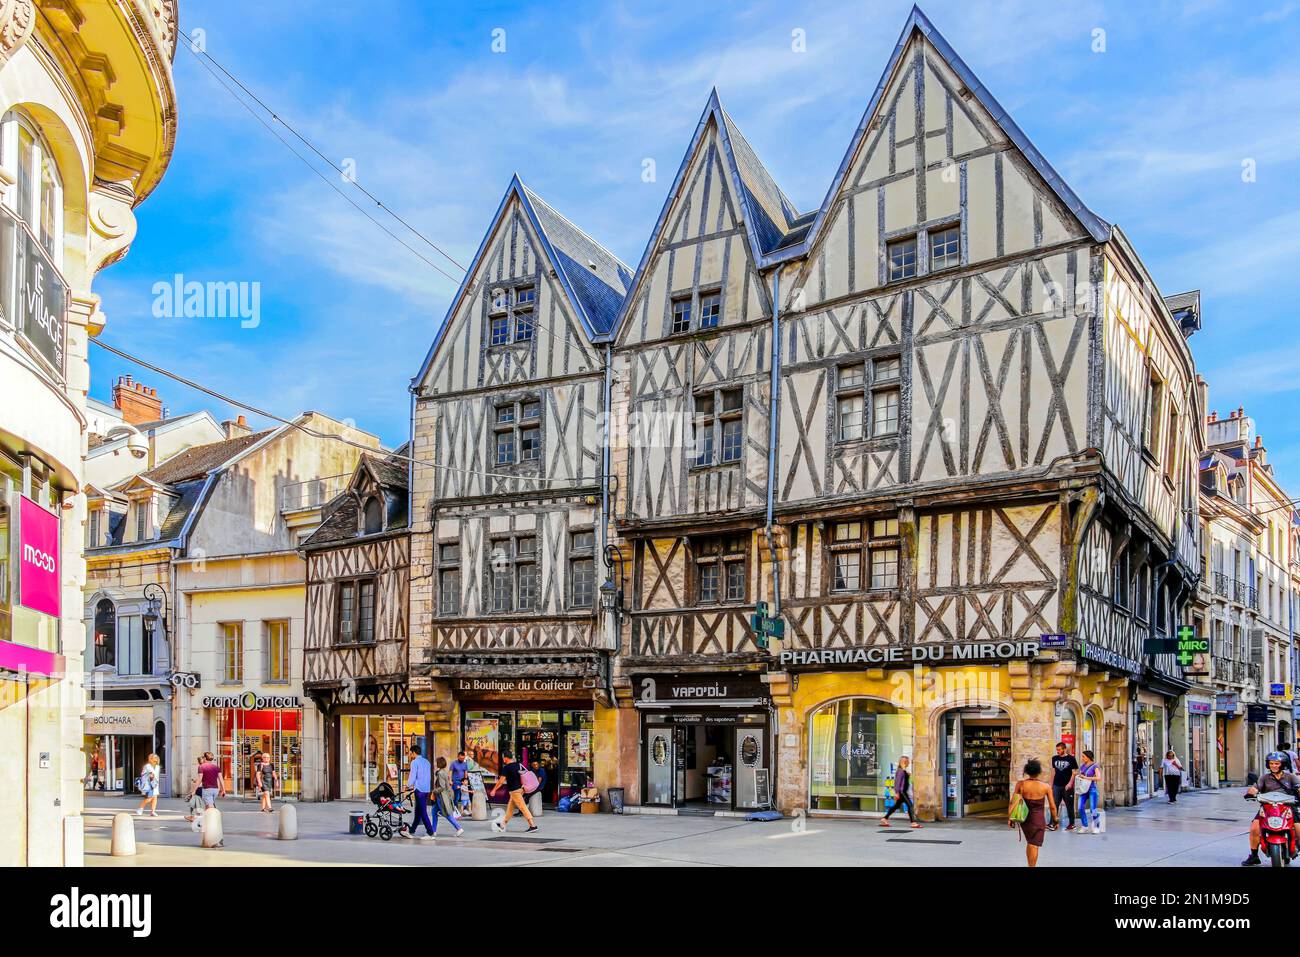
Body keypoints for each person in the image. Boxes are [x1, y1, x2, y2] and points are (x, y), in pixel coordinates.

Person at [1241, 752, 1300, 866]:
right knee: (1254, 829)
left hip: (1288, 807)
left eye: (1277, 763)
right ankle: (1254, 856)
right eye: (1271, 763)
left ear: (1283, 764)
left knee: (1299, 830)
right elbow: (1255, 788)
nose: (1274, 766)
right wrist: (1250, 793)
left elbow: (1298, 787)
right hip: (1268, 807)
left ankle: (1295, 847)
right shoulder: (1264, 777)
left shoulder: (1290, 777)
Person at [1009, 758, 1057, 867]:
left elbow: (1013, 802)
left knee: (1030, 843)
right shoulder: (1046, 787)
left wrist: (1010, 818)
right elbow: (1053, 807)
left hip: (1025, 819)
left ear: (1027, 772)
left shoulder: (1020, 784)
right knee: (1034, 845)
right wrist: (1055, 820)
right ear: (1039, 772)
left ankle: (1029, 865)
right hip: (1038, 819)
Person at [490, 749, 538, 833]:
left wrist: (494, 790)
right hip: (520, 789)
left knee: (522, 807)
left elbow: (501, 781)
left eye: (503, 758)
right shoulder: (518, 765)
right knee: (510, 808)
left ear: (505, 758)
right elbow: (526, 775)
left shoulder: (506, 768)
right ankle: (502, 825)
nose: (503, 760)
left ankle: (532, 825)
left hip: (515, 791)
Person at [402, 744, 437, 841]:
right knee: (418, 811)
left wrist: (407, 786)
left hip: (419, 790)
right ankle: (411, 831)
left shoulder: (414, 762)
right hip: (426, 789)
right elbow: (428, 776)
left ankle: (430, 832)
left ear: (413, 752)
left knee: (423, 811)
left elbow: (412, 776)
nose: (410, 755)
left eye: (410, 753)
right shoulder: (427, 762)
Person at [879, 756, 921, 828]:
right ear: (904, 762)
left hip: (904, 791)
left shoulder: (903, 770)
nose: (908, 763)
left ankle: (884, 818)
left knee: (896, 806)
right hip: (902, 792)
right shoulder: (900, 771)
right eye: (907, 761)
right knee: (910, 805)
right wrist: (897, 793)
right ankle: (913, 822)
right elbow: (897, 782)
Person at [1050, 742, 1078, 831]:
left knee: (1069, 805)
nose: (1057, 751)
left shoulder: (1071, 759)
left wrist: (1070, 784)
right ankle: (1053, 823)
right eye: (1057, 749)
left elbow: (1074, 773)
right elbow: (1053, 772)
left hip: (1067, 786)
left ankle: (1072, 824)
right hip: (1057, 785)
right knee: (1054, 805)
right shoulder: (1054, 758)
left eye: (1059, 750)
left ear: (1064, 749)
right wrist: (1051, 785)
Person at [434, 756, 466, 836]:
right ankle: (433, 830)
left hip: (441, 796)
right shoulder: (443, 772)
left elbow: (442, 787)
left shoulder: (441, 773)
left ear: (439, 763)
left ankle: (459, 827)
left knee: (446, 813)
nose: (435, 764)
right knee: (434, 812)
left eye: (436, 762)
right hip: (443, 796)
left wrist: (434, 791)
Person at [1075, 750, 1102, 833]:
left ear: (1088, 757)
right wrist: (1079, 775)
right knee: (1080, 808)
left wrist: (1086, 778)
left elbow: (1098, 778)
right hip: (1083, 789)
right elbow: (1082, 775)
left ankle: (1097, 826)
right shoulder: (1082, 766)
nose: (1082, 758)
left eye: (1083, 756)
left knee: (1093, 809)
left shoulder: (1095, 766)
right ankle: (1085, 826)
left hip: (1092, 789)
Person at [184, 756, 206, 828]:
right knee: (200, 803)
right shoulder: (207, 767)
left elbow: (199, 779)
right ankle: (194, 816)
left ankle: (193, 816)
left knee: (194, 803)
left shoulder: (200, 767)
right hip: (205, 788)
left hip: (200, 788)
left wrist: (193, 790)